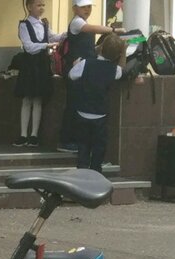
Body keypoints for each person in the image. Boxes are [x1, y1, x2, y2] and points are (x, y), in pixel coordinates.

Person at [57, 0, 122, 153]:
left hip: (85, 70)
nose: (87, 10)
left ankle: (77, 141)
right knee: (72, 104)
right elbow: (92, 28)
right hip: (75, 70)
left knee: (79, 103)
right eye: (83, 7)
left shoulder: (83, 24)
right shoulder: (77, 23)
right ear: (74, 8)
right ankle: (66, 141)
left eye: (89, 7)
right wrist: (113, 30)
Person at [67, 32, 126, 172]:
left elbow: (71, 75)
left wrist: (76, 64)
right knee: (99, 146)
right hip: (100, 114)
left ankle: (81, 168)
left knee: (83, 144)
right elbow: (122, 69)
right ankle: (95, 169)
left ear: (101, 48)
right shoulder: (114, 70)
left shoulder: (85, 63)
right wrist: (123, 53)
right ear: (118, 55)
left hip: (82, 111)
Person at [14, 0, 66, 148]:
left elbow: (54, 37)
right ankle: (23, 134)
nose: (42, 8)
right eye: (38, 5)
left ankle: (34, 135)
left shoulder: (44, 25)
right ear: (29, 7)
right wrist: (47, 45)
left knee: (38, 99)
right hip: (30, 65)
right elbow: (29, 47)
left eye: (43, 5)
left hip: (42, 65)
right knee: (27, 99)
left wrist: (66, 34)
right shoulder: (24, 25)